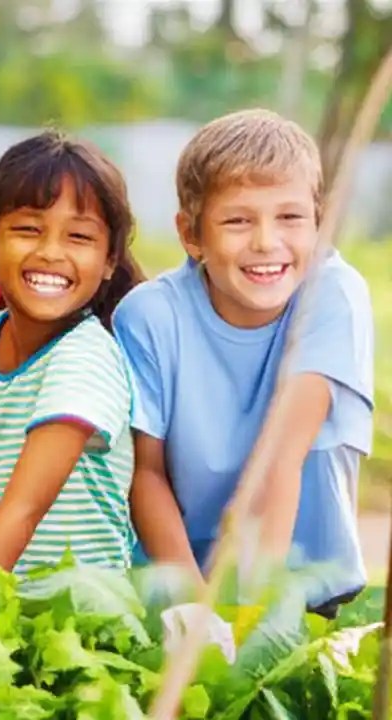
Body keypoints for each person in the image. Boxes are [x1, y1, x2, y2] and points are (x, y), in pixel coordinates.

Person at [115, 108, 374, 619]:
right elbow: (145, 474)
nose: (265, 241)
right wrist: (194, 607)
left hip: (299, 587)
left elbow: (279, 461)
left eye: (290, 217)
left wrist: (247, 621)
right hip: (178, 580)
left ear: (319, 223)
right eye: (237, 220)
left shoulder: (332, 294)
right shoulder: (149, 316)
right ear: (192, 236)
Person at [0, 132, 143, 575]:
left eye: (79, 237)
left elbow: (24, 510)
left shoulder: (85, 358)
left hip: (76, 616)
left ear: (109, 260)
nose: (50, 253)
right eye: (28, 230)